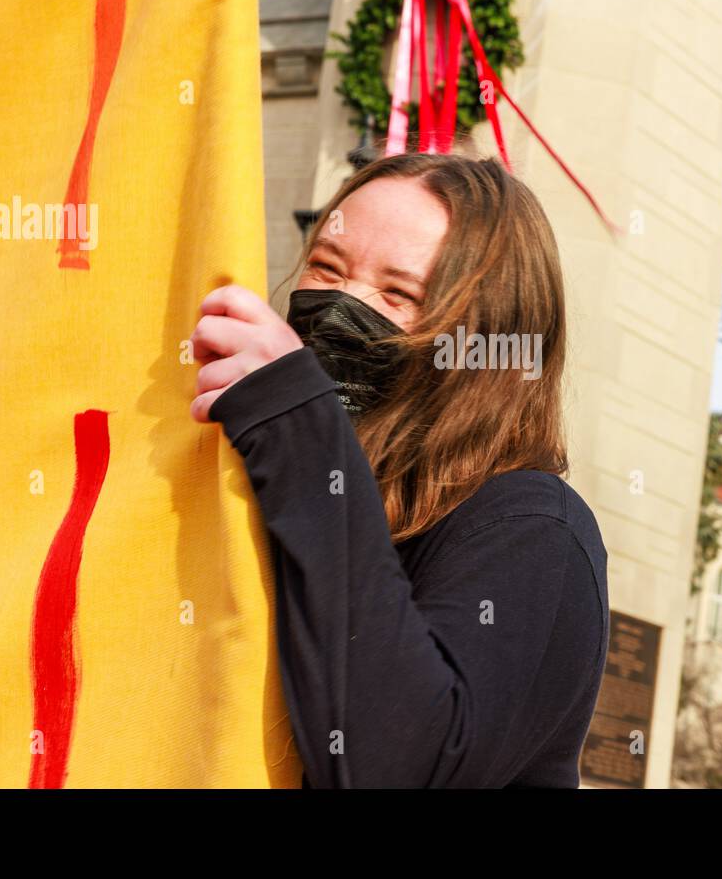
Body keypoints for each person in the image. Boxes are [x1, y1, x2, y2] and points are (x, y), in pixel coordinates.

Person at [188, 152, 609, 788]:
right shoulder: (263, 475)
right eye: (326, 268)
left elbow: (401, 765)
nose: (338, 305)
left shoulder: (533, 525)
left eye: (398, 294)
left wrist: (304, 437)